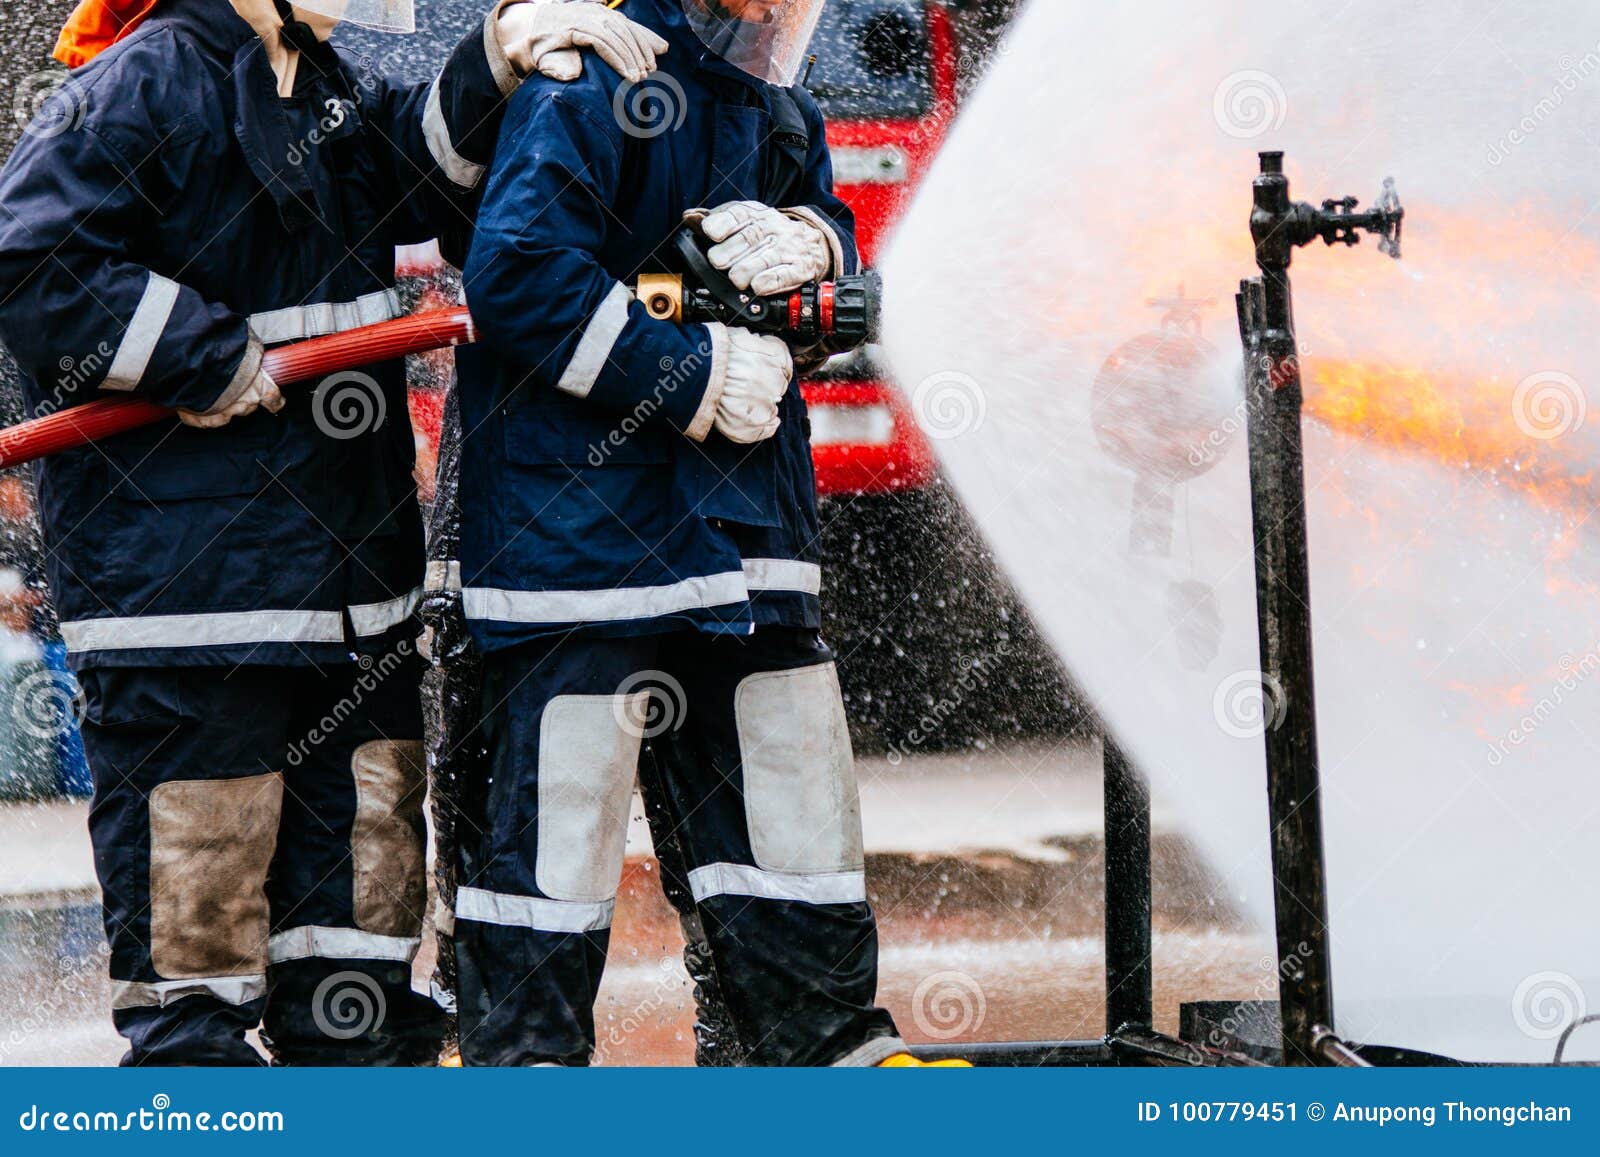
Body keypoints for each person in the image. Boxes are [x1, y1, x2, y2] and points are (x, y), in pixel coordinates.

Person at [0, 0, 665, 1066]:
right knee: (194, 959)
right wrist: (201, 353)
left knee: (355, 945)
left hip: (345, 601)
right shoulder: (146, 82)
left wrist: (493, 58)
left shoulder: (315, 84)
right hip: (192, 607)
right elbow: (32, 258)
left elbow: (405, 171)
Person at [452, 0, 959, 1067]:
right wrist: (686, 374)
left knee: (790, 831)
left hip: (745, 553)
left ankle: (825, 1056)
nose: (787, 10)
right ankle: (526, 1083)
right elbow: (518, 275)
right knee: (552, 856)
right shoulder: (589, 82)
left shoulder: (772, 100)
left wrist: (816, 241)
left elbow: (822, 237)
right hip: (583, 563)